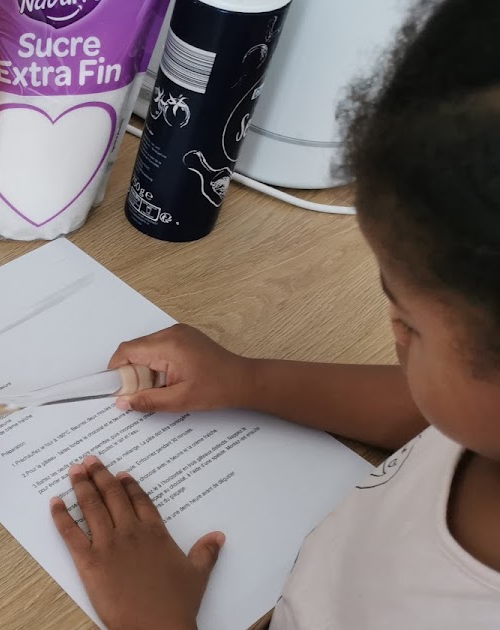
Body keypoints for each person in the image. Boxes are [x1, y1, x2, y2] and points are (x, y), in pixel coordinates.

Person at [49, 0, 500, 627]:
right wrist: (246, 380)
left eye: (412, 326)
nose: (392, 331)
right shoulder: (476, 424)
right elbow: (426, 414)